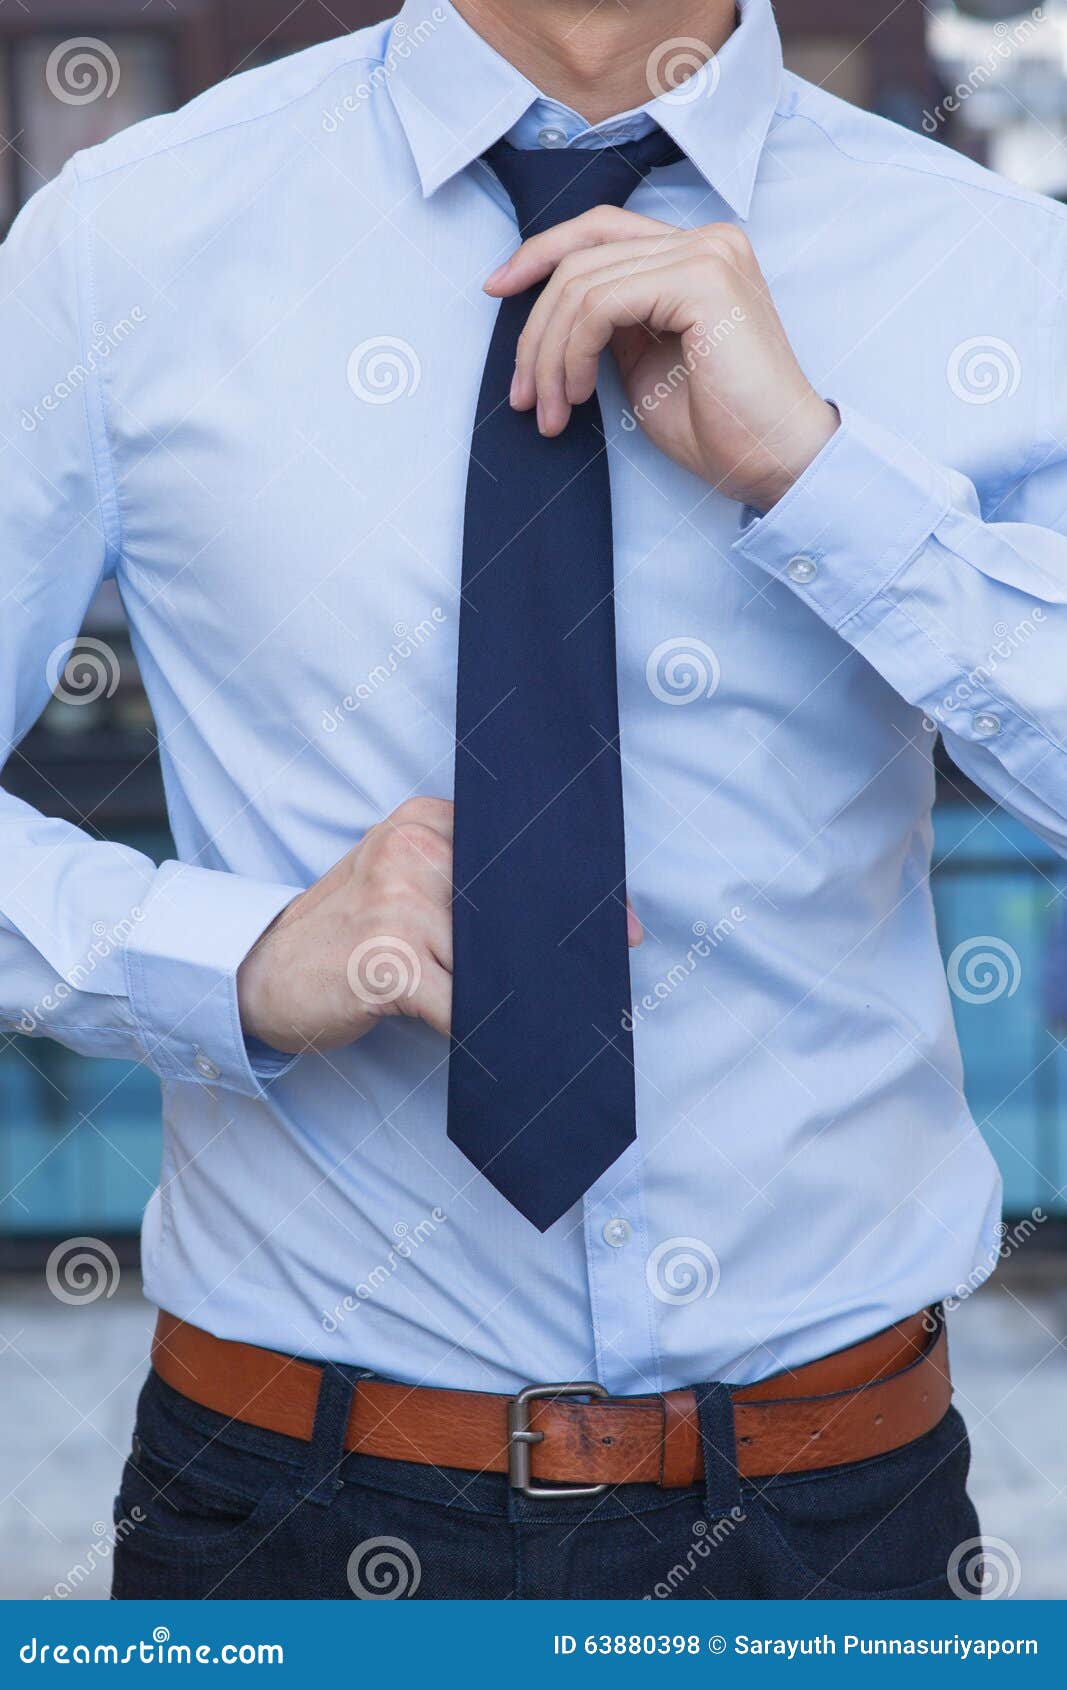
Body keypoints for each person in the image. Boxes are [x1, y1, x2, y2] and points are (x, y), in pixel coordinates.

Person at [1, 0, 1062, 1600]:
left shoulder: (991, 265)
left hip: (840, 1513)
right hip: (286, 1504)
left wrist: (822, 482)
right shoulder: (128, 238)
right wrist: (219, 957)